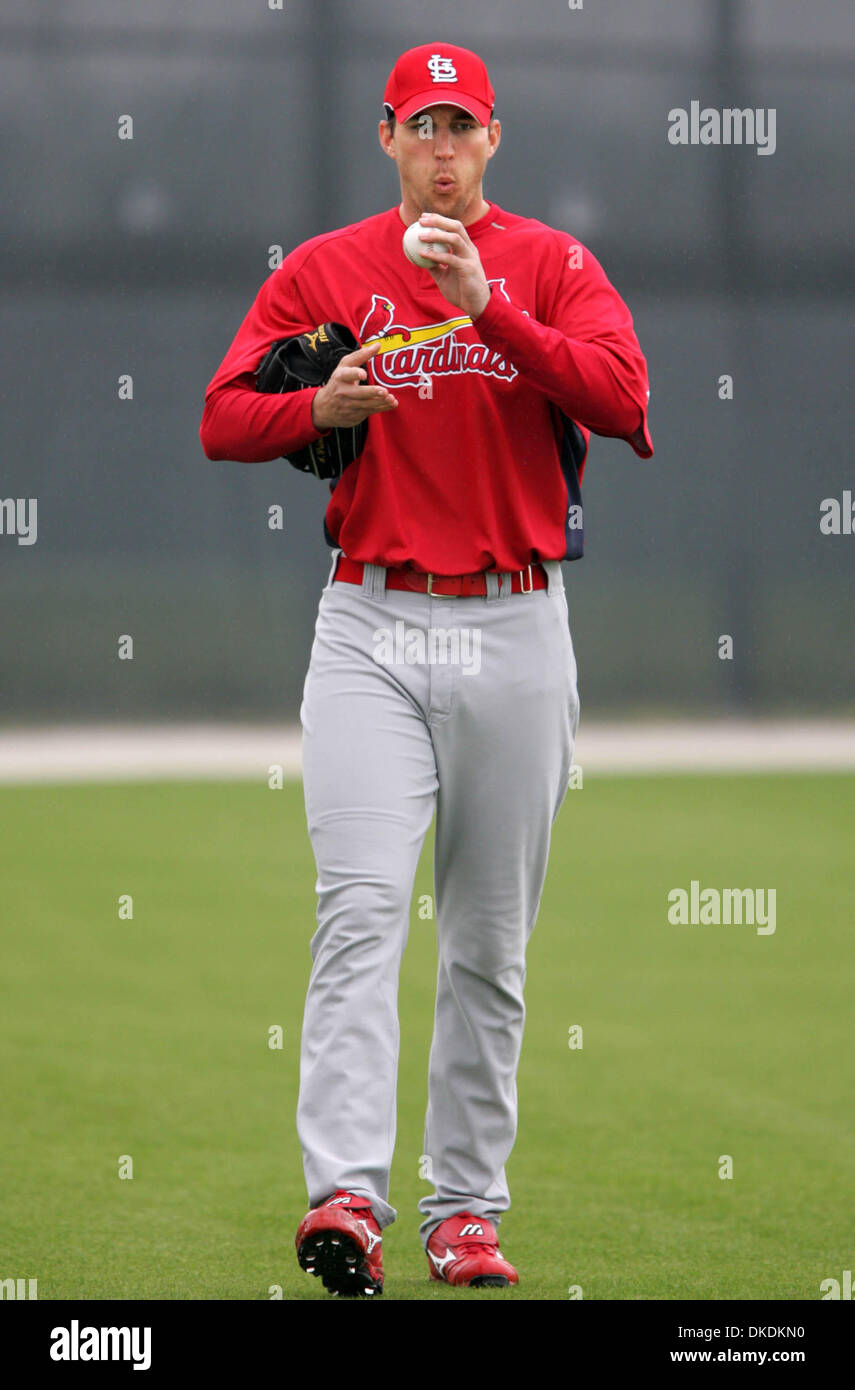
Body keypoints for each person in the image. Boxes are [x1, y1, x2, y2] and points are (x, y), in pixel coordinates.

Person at [200, 40, 653, 1297]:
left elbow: (625, 399)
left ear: (493, 140)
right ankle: (346, 1197)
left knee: (488, 947)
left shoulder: (554, 265)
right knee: (356, 916)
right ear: (387, 138)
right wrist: (316, 412)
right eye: (422, 125)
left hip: (517, 621)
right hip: (371, 625)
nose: (443, 148)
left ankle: (465, 1210)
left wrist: (490, 307)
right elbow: (222, 414)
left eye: (464, 125)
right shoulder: (326, 269)